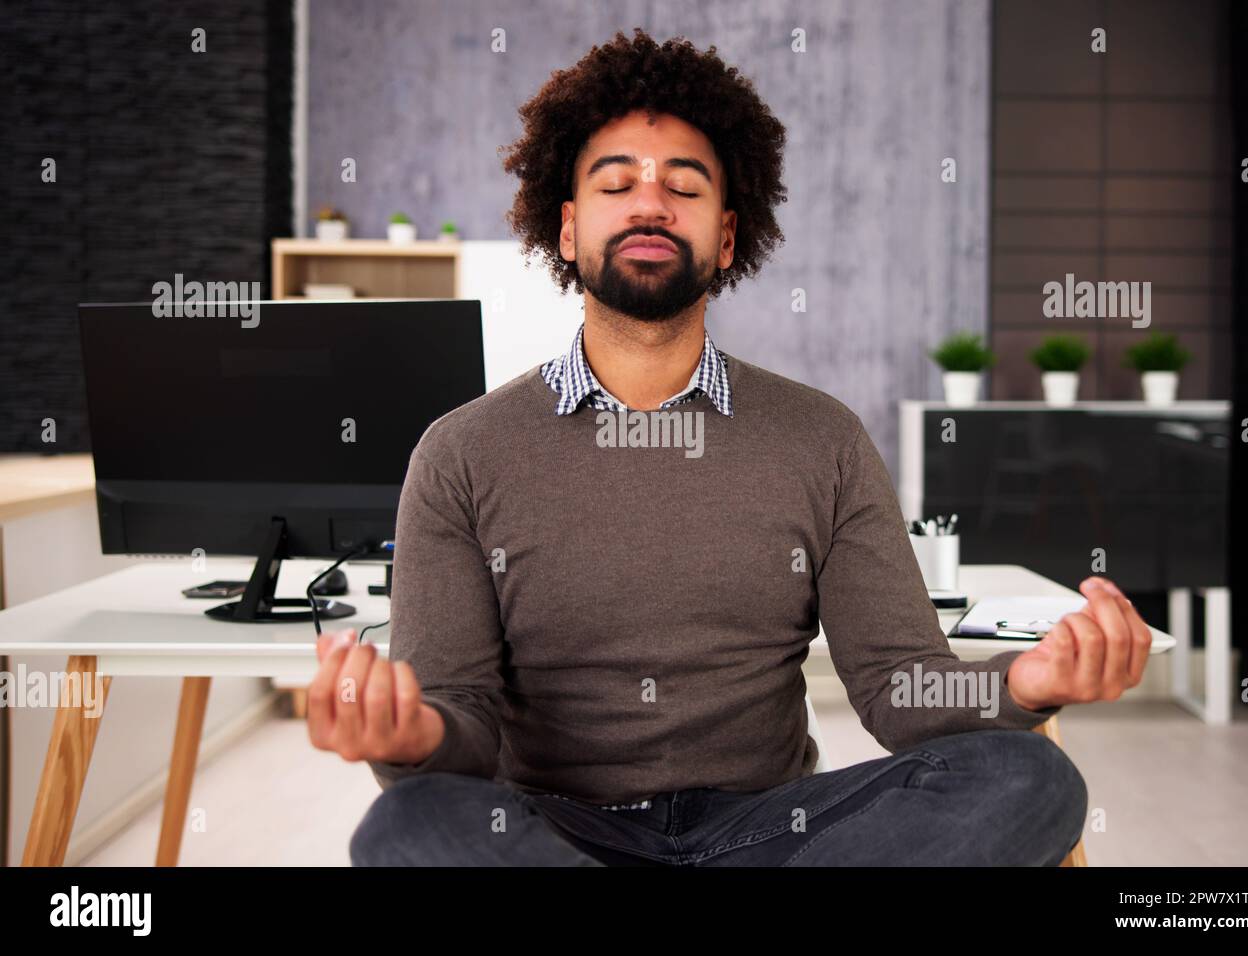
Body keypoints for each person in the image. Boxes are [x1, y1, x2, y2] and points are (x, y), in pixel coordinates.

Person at [307, 29, 1151, 866]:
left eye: (684, 186)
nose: (650, 204)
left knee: (1029, 777)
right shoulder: (462, 454)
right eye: (616, 184)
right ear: (566, 230)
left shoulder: (822, 438)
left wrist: (1021, 686)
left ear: (726, 238)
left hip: (773, 832)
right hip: (562, 836)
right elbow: (459, 720)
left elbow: (902, 686)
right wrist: (411, 731)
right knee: (408, 825)